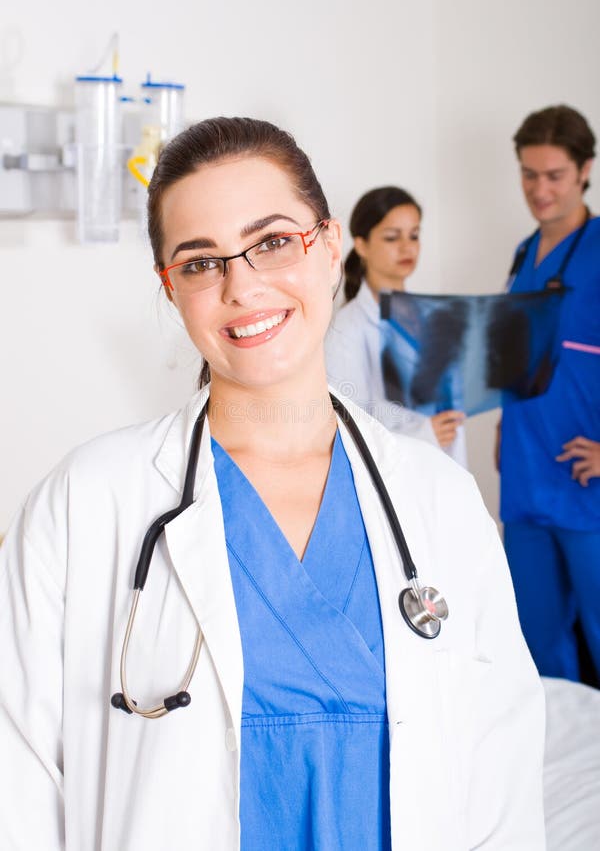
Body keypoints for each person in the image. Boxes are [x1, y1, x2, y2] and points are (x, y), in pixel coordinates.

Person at [0, 117, 545, 850]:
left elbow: (501, 785)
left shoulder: (440, 503)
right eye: (200, 263)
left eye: (273, 242)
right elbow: (19, 787)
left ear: (326, 248)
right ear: (171, 288)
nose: (242, 285)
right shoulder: (86, 503)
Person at [498, 104, 600, 683]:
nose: (539, 189)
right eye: (528, 174)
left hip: (588, 484)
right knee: (537, 643)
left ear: (585, 169)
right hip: (527, 472)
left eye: (554, 175)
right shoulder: (522, 253)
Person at [325, 187, 467, 466]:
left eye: (414, 235)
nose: (407, 247)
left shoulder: (432, 319)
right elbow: (346, 431)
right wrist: (424, 434)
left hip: (448, 472)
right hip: (399, 484)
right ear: (362, 244)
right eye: (392, 237)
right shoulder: (347, 330)